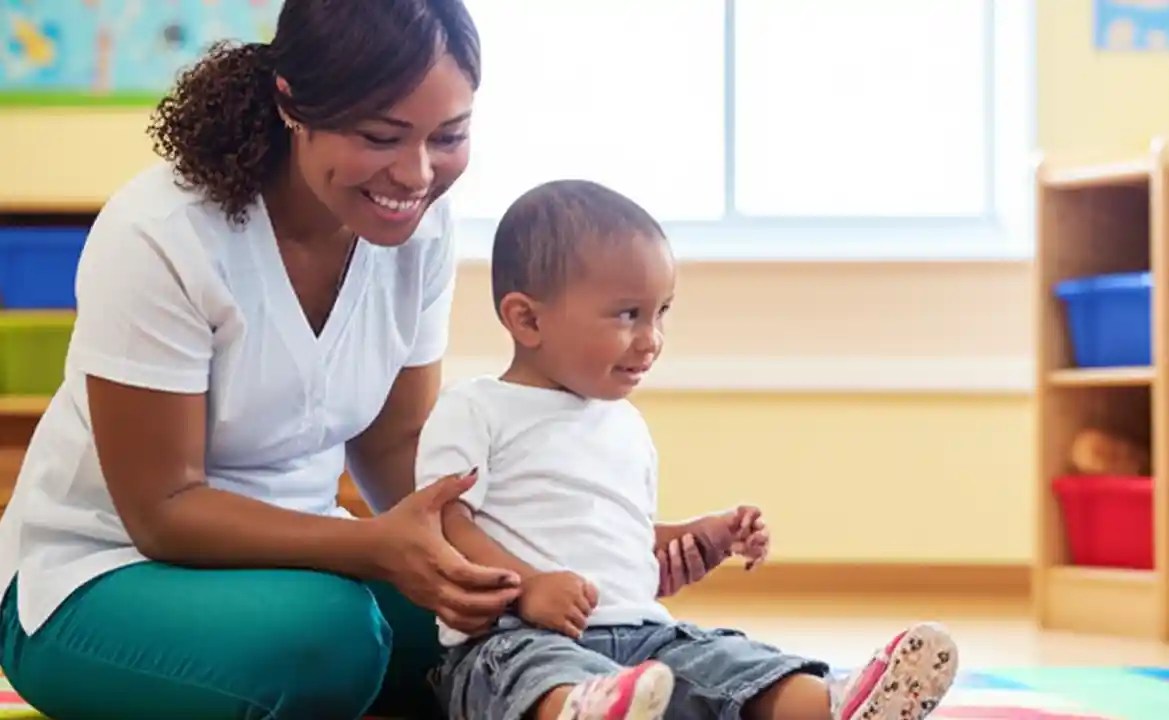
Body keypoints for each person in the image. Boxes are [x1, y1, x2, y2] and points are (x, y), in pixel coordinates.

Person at [0, 3, 718, 719]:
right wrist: (374, 547)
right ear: (293, 104)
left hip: (308, 565)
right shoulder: (164, 234)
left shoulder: (424, 231)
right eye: (382, 136)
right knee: (332, 640)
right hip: (99, 576)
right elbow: (164, 510)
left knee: (527, 628)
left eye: (450, 136)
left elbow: (402, 448)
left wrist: (572, 551)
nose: (416, 174)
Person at [414, 179, 961, 720]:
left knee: (720, 662)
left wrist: (698, 537)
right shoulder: (476, 409)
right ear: (528, 319)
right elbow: (444, 524)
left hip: (644, 637)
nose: (652, 338)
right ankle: (582, 710)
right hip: (513, 636)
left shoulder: (625, 426)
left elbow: (614, 537)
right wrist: (526, 588)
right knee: (533, 672)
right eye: (628, 314)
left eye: (661, 313)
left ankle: (834, 705)